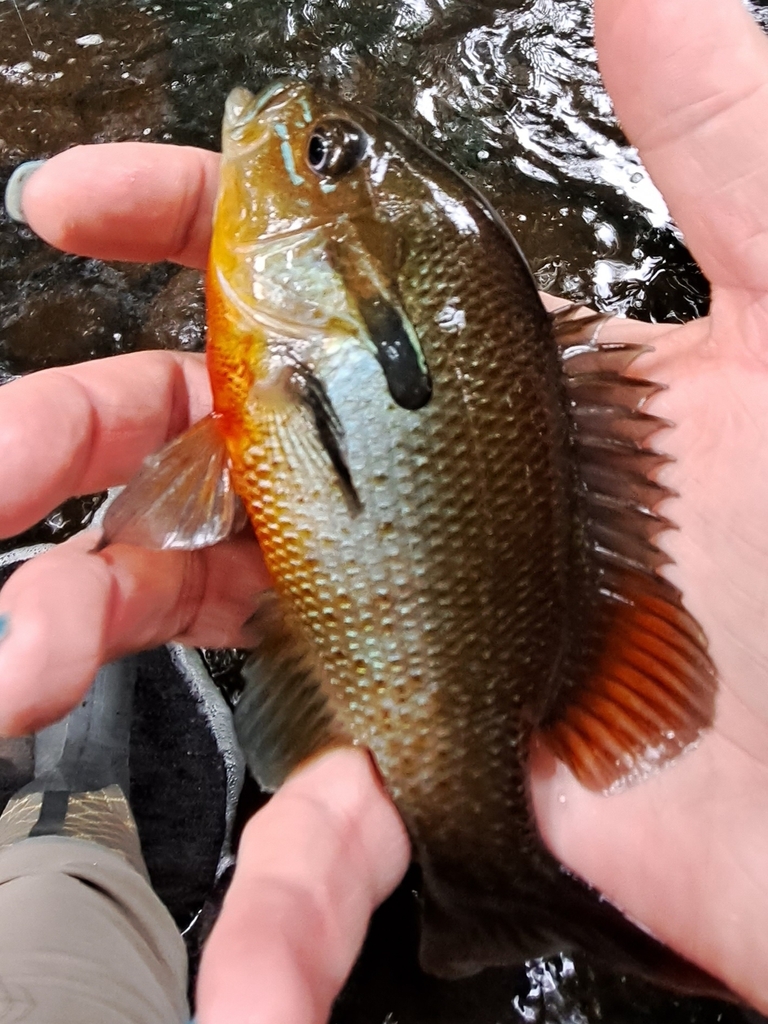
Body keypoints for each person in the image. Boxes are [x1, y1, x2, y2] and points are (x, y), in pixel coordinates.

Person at [1, 0, 768, 1019]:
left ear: (367, 277)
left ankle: (470, 882)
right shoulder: (303, 325)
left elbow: (196, 488)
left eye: (325, 154)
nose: (288, 126)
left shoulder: (292, 335)